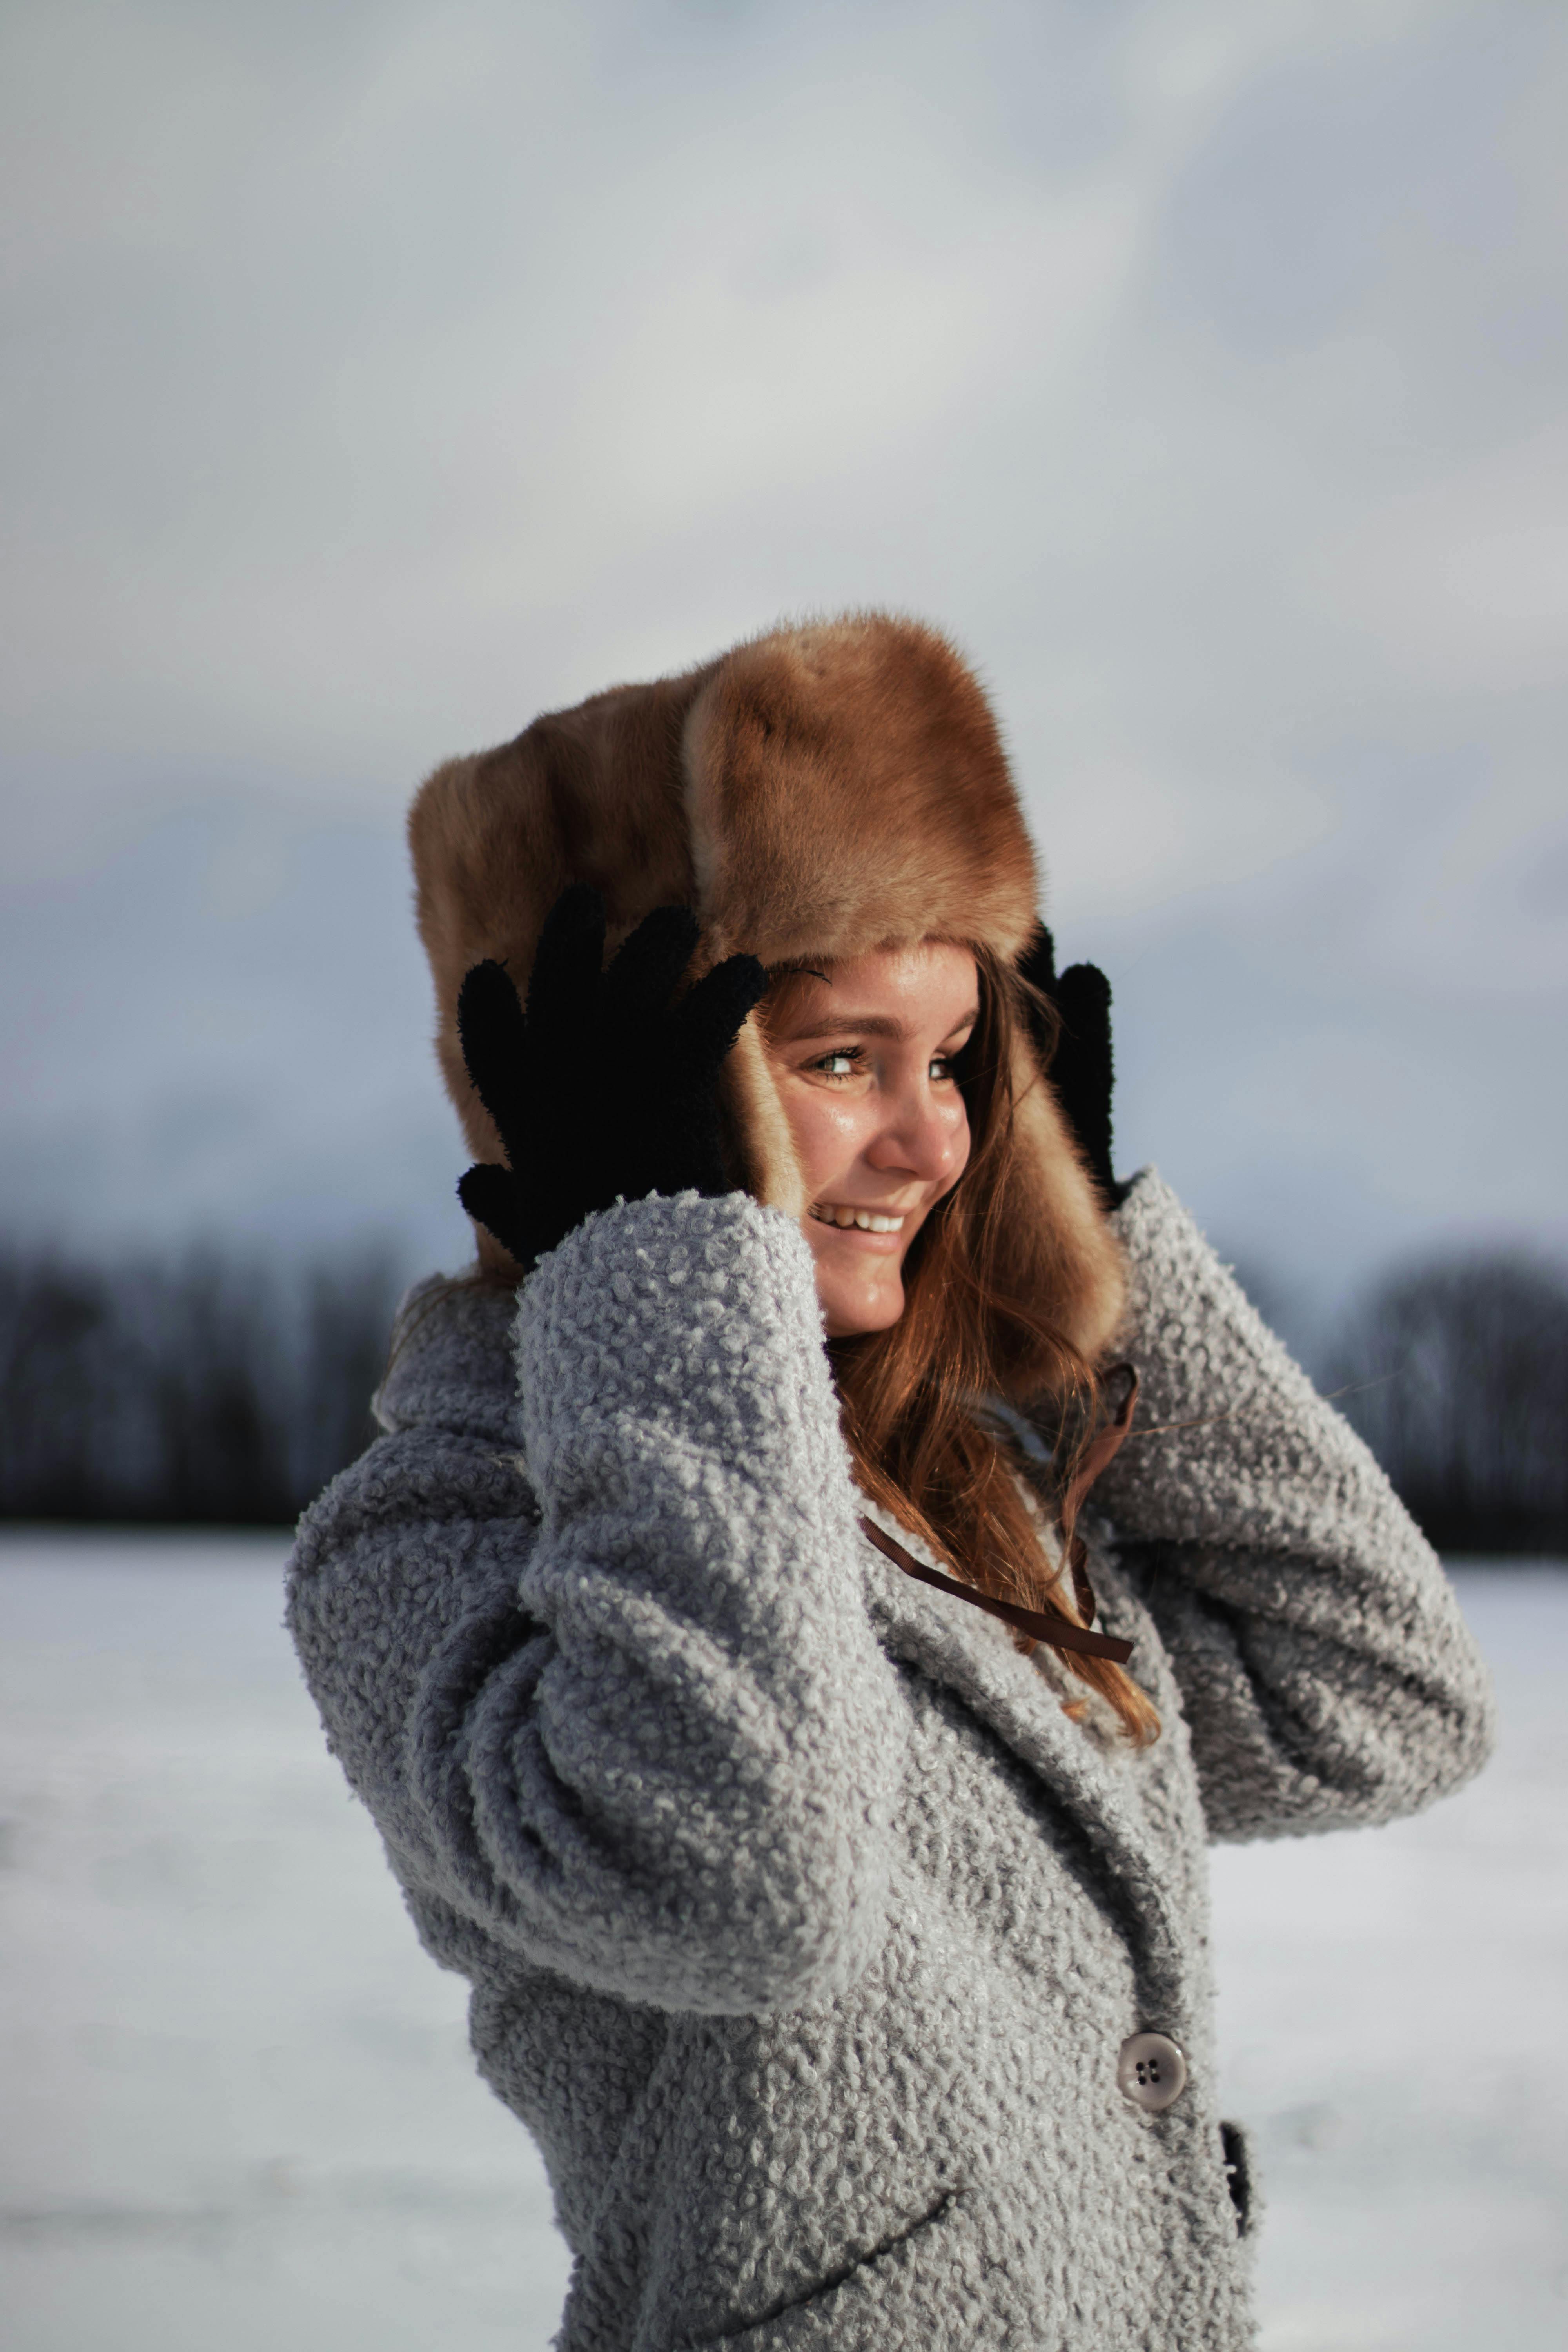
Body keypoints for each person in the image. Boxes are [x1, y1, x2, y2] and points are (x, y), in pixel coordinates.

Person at [288, 613, 1494, 2351]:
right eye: (842, 1059)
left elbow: (1375, 1700)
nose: (933, 1139)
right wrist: (661, 1256)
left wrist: (1079, 1242)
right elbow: (730, 1886)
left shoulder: (970, 1498)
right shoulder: (434, 1532)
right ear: (604, 1098)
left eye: (956, 1065)